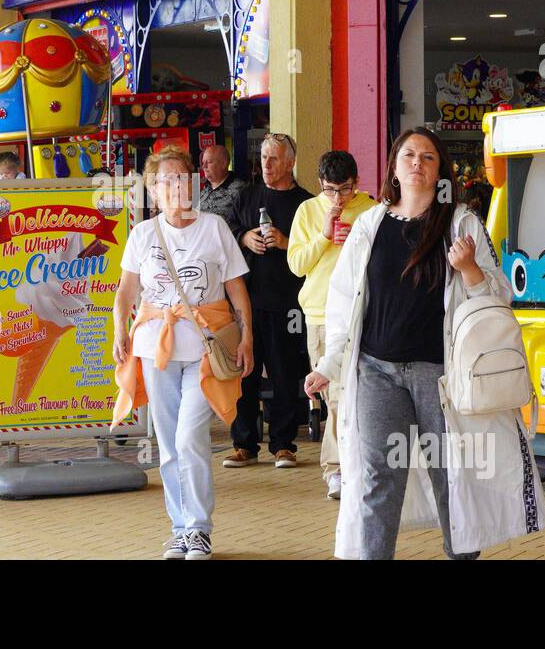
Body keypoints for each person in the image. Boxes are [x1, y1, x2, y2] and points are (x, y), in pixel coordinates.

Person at [304, 127, 541, 560]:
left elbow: (497, 298)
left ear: (440, 171)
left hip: (441, 376)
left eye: (428, 157)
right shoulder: (369, 226)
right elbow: (344, 304)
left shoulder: (461, 222)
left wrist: (468, 268)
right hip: (377, 371)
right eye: (409, 155)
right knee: (378, 477)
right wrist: (329, 364)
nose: (417, 163)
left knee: (450, 476)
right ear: (394, 165)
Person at [112, 146, 253, 560]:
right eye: (165, 180)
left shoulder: (214, 228)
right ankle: (179, 528)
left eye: (181, 177)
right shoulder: (142, 234)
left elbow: (237, 289)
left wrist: (248, 338)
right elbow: (126, 290)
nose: (175, 186)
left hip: (205, 350)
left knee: (190, 436)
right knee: (169, 443)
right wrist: (120, 329)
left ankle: (199, 528)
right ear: (153, 191)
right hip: (155, 349)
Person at [287, 151, 376, 499]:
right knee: (334, 396)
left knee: (356, 395)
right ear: (320, 185)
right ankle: (338, 468)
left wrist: (358, 239)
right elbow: (296, 264)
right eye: (330, 190)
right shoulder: (308, 211)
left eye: (345, 189)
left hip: (363, 315)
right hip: (321, 315)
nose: (338, 198)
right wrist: (324, 236)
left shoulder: (372, 210)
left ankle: (347, 465)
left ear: (357, 182)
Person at [223, 133, 313, 469]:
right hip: (247, 301)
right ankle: (244, 443)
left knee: (285, 372)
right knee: (243, 373)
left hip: (288, 302)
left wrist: (287, 242)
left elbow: (316, 248)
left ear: (290, 162)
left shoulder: (306, 204)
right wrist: (244, 237)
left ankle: (284, 444)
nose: (267, 164)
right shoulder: (246, 196)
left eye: (274, 159)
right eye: (263, 157)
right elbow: (226, 231)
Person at [196, 144, 246, 233]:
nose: (204, 167)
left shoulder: (240, 190)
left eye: (209, 162)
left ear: (224, 163)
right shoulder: (205, 189)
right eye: (203, 163)